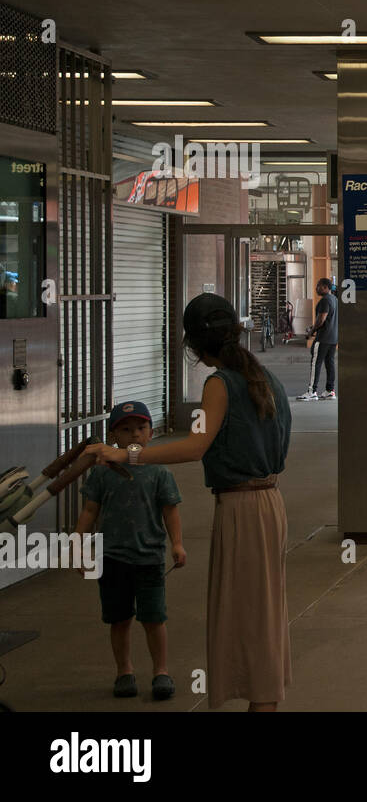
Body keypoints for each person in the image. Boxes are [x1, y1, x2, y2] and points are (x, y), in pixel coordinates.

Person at [88, 293, 292, 711]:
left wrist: (126, 454)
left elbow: (196, 446)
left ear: (196, 349)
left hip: (243, 507)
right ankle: (263, 701)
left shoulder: (219, 384)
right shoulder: (266, 378)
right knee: (261, 615)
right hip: (270, 502)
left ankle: (264, 703)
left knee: (245, 617)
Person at [74, 401, 184, 701]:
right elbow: (89, 510)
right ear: (114, 436)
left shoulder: (159, 473)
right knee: (119, 619)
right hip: (111, 558)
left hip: (149, 557)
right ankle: (124, 671)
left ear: (150, 433)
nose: (134, 435)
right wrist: (77, 542)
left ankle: (160, 671)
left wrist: (176, 543)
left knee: (154, 618)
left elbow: (170, 510)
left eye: (141, 428)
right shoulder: (102, 473)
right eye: (126, 429)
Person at [299, 278, 338, 401]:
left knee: (316, 363)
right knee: (330, 363)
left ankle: (312, 391)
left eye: (319, 286)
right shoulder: (335, 300)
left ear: (326, 287)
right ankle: (330, 390)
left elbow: (321, 319)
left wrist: (311, 332)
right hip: (333, 338)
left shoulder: (325, 300)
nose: (316, 288)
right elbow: (328, 320)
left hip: (323, 338)